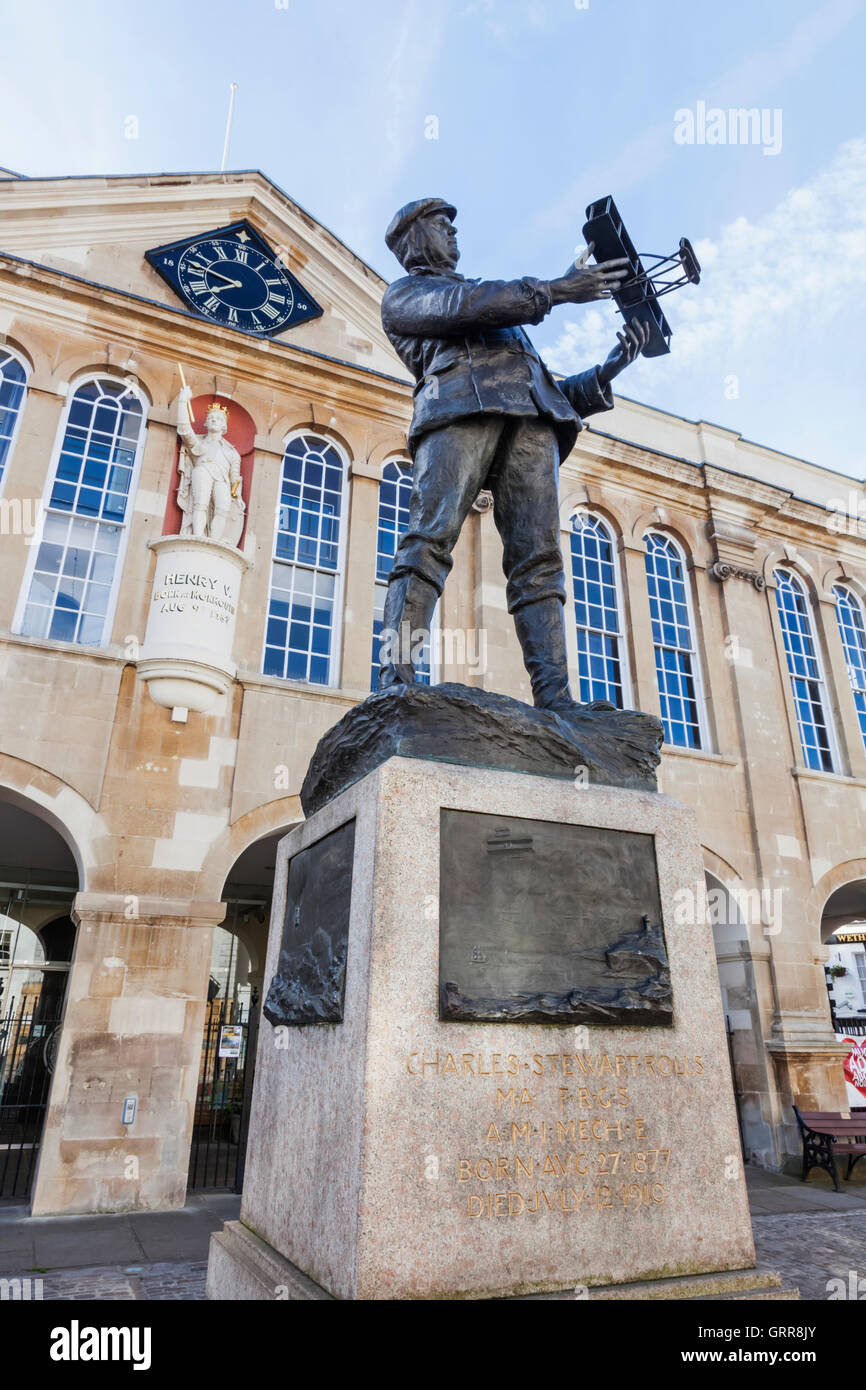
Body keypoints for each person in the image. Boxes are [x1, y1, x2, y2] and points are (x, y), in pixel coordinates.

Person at [379, 196, 649, 714]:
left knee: (540, 562)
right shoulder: (409, 294)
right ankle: (398, 676)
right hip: (460, 411)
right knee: (428, 541)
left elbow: (537, 387)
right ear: (414, 238)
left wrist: (606, 371)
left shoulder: (497, 303)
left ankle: (555, 698)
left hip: (530, 427)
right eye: (441, 225)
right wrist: (558, 290)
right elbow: (468, 307)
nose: (454, 235)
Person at [176, 389, 244, 543]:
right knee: (201, 504)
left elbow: (234, 478)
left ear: (224, 426)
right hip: (203, 470)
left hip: (222, 480)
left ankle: (214, 541)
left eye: (218, 419)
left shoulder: (232, 453)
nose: (214, 420)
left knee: (223, 509)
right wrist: (182, 402)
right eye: (211, 418)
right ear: (206, 423)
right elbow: (184, 430)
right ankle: (198, 536)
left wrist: (237, 493)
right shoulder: (200, 443)